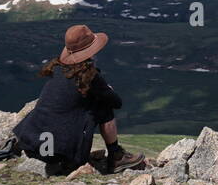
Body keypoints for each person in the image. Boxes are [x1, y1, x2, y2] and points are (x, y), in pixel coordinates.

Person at [13, 24, 144, 175]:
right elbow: (117, 102)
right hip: (60, 151)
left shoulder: (57, 69)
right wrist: (106, 90)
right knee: (103, 106)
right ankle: (116, 156)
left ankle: (114, 156)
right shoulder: (90, 78)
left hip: (33, 142)